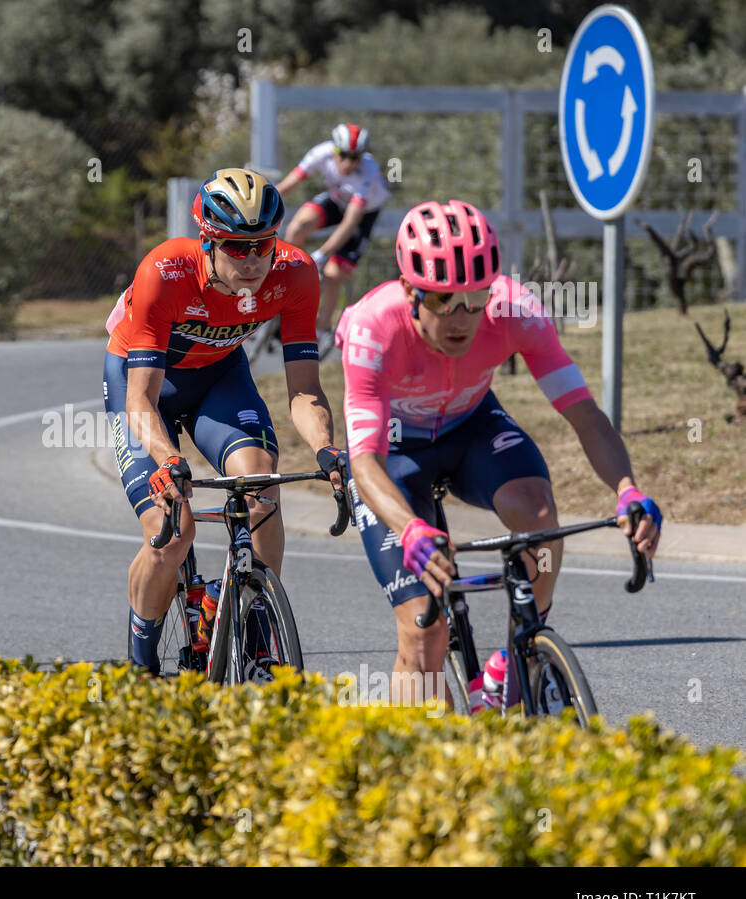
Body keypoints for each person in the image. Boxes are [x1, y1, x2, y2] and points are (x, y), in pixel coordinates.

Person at [336, 198, 662, 701]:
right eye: (445, 300)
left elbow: (585, 415)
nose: (463, 315)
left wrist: (627, 489)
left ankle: (517, 657)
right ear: (409, 290)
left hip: (471, 429)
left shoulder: (514, 309)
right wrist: (410, 528)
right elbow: (364, 462)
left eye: (477, 296)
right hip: (394, 455)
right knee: (424, 633)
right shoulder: (371, 328)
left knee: (539, 515)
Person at [103, 167, 345, 676]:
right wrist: (171, 460)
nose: (255, 259)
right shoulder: (164, 271)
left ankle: (255, 629)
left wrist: (328, 450)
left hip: (219, 376)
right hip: (146, 384)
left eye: (263, 243)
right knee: (172, 530)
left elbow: (304, 389)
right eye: (237, 247)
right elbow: (141, 400)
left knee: (260, 487)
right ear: (209, 241)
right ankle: (141, 669)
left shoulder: (295, 273)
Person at [275, 122, 390, 350]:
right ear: (334, 150)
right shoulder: (321, 153)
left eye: (354, 157)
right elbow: (287, 186)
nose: (348, 163)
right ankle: (291, 270)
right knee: (298, 226)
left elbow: (350, 223)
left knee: (333, 273)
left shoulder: (368, 171)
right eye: (343, 155)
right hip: (337, 200)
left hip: (363, 213)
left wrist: (321, 254)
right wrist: (257, 208)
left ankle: (322, 329)